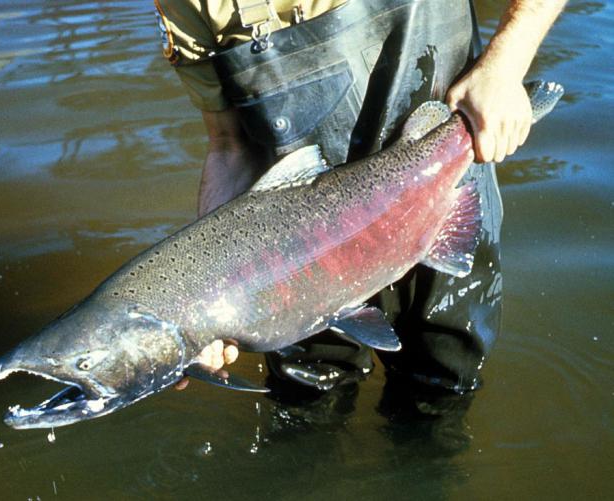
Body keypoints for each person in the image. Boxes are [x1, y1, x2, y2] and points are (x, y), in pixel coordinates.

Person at [153, 0, 566, 394]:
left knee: (440, 388)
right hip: (298, 256)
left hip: (438, 187)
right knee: (307, 407)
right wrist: (204, 294)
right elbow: (229, 147)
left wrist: (506, 66)